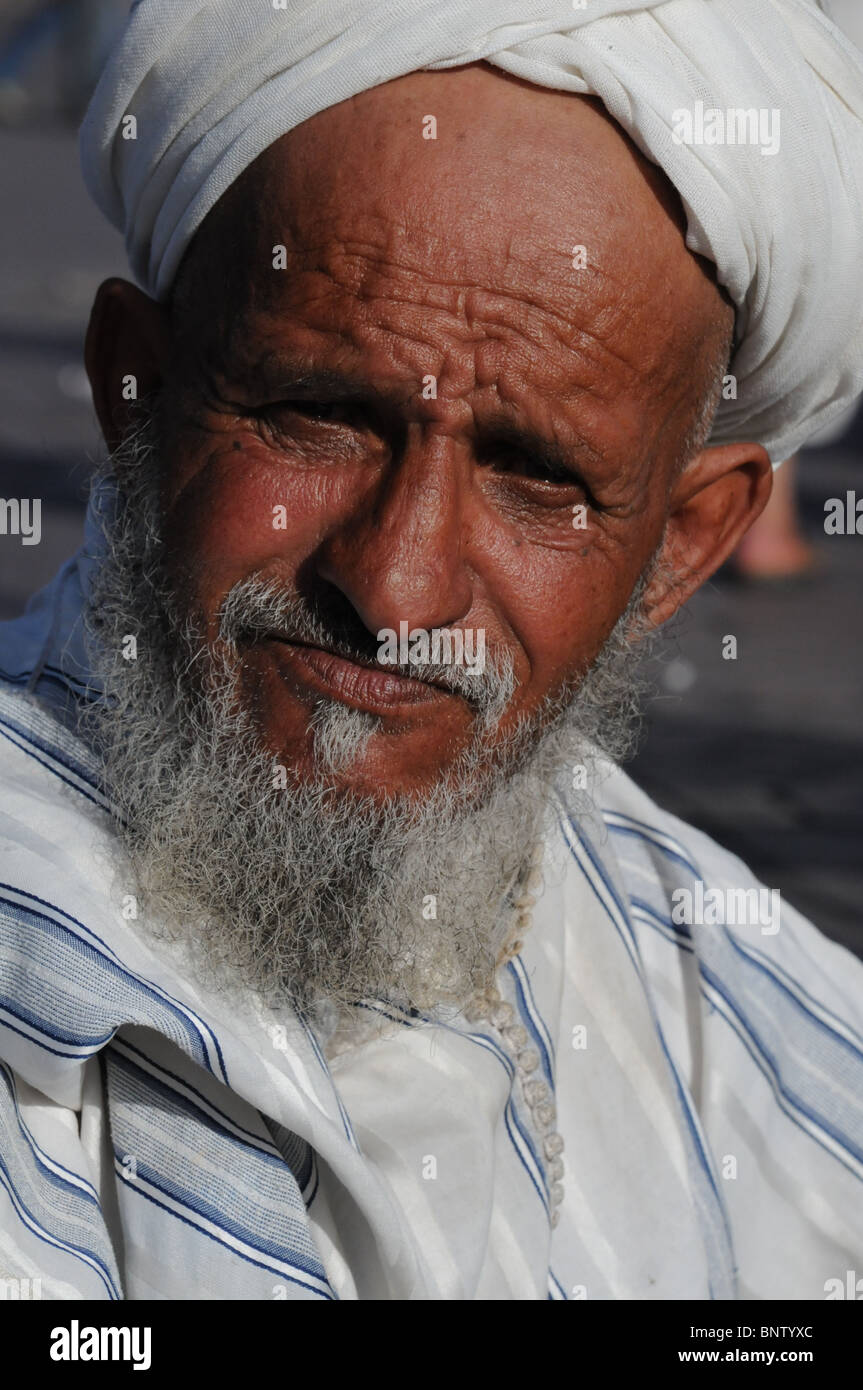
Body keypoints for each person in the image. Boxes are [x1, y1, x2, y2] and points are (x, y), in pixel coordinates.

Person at [0, 0, 861, 1302]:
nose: (395, 584)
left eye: (533, 473)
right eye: (320, 414)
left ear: (682, 546)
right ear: (139, 389)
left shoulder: (737, 1021)